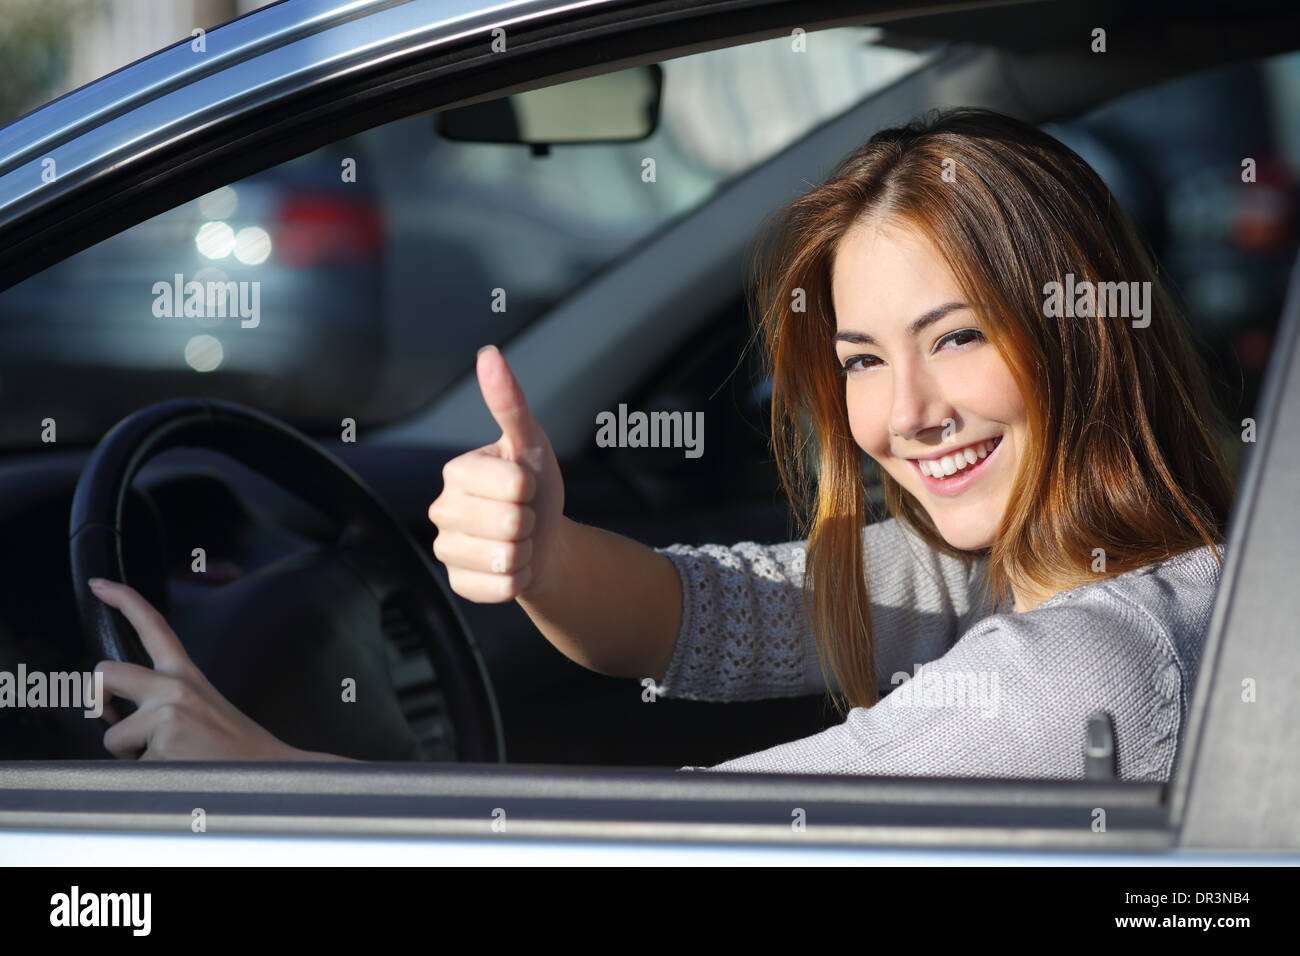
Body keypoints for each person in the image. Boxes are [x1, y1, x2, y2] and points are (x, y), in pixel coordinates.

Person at [91, 108, 1234, 779]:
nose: (908, 413)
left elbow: (672, 845)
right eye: (864, 359)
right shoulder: (1045, 566)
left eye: (960, 336)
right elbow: (703, 614)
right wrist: (542, 552)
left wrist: (266, 778)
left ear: (1081, 331)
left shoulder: (1084, 668)